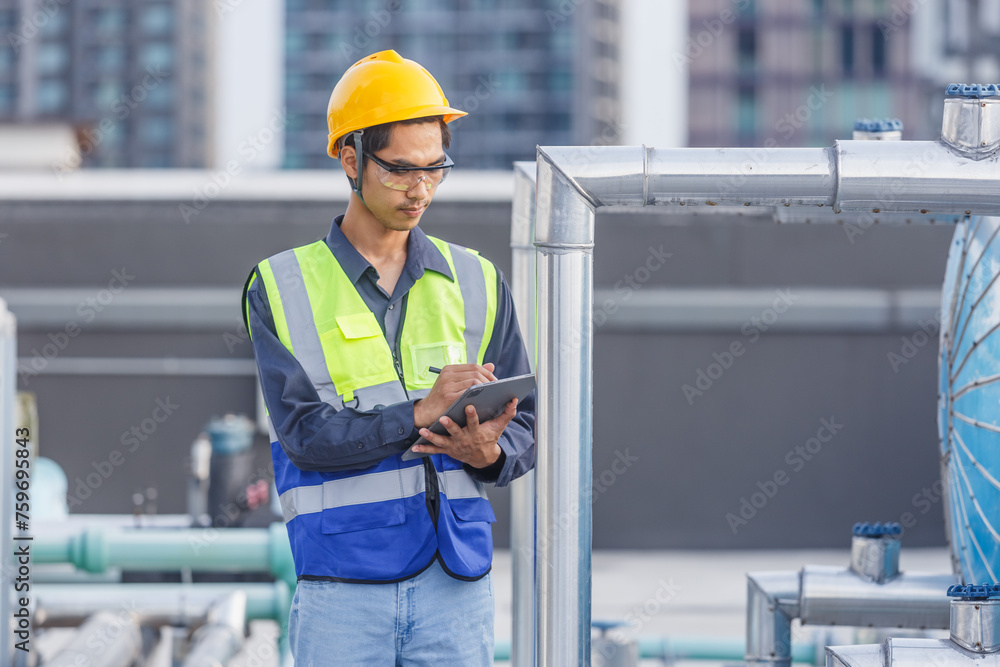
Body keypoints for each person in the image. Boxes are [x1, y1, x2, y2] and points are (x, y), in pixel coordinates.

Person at [241, 50, 535, 665]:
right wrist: (421, 413)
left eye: (435, 169)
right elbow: (305, 438)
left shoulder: (477, 279)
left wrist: (491, 455)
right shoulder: (281, 286)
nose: (420, 189)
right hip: (342, 591)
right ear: (350, 160)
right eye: (400, 170)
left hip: (457, 586)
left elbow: (525, 424)